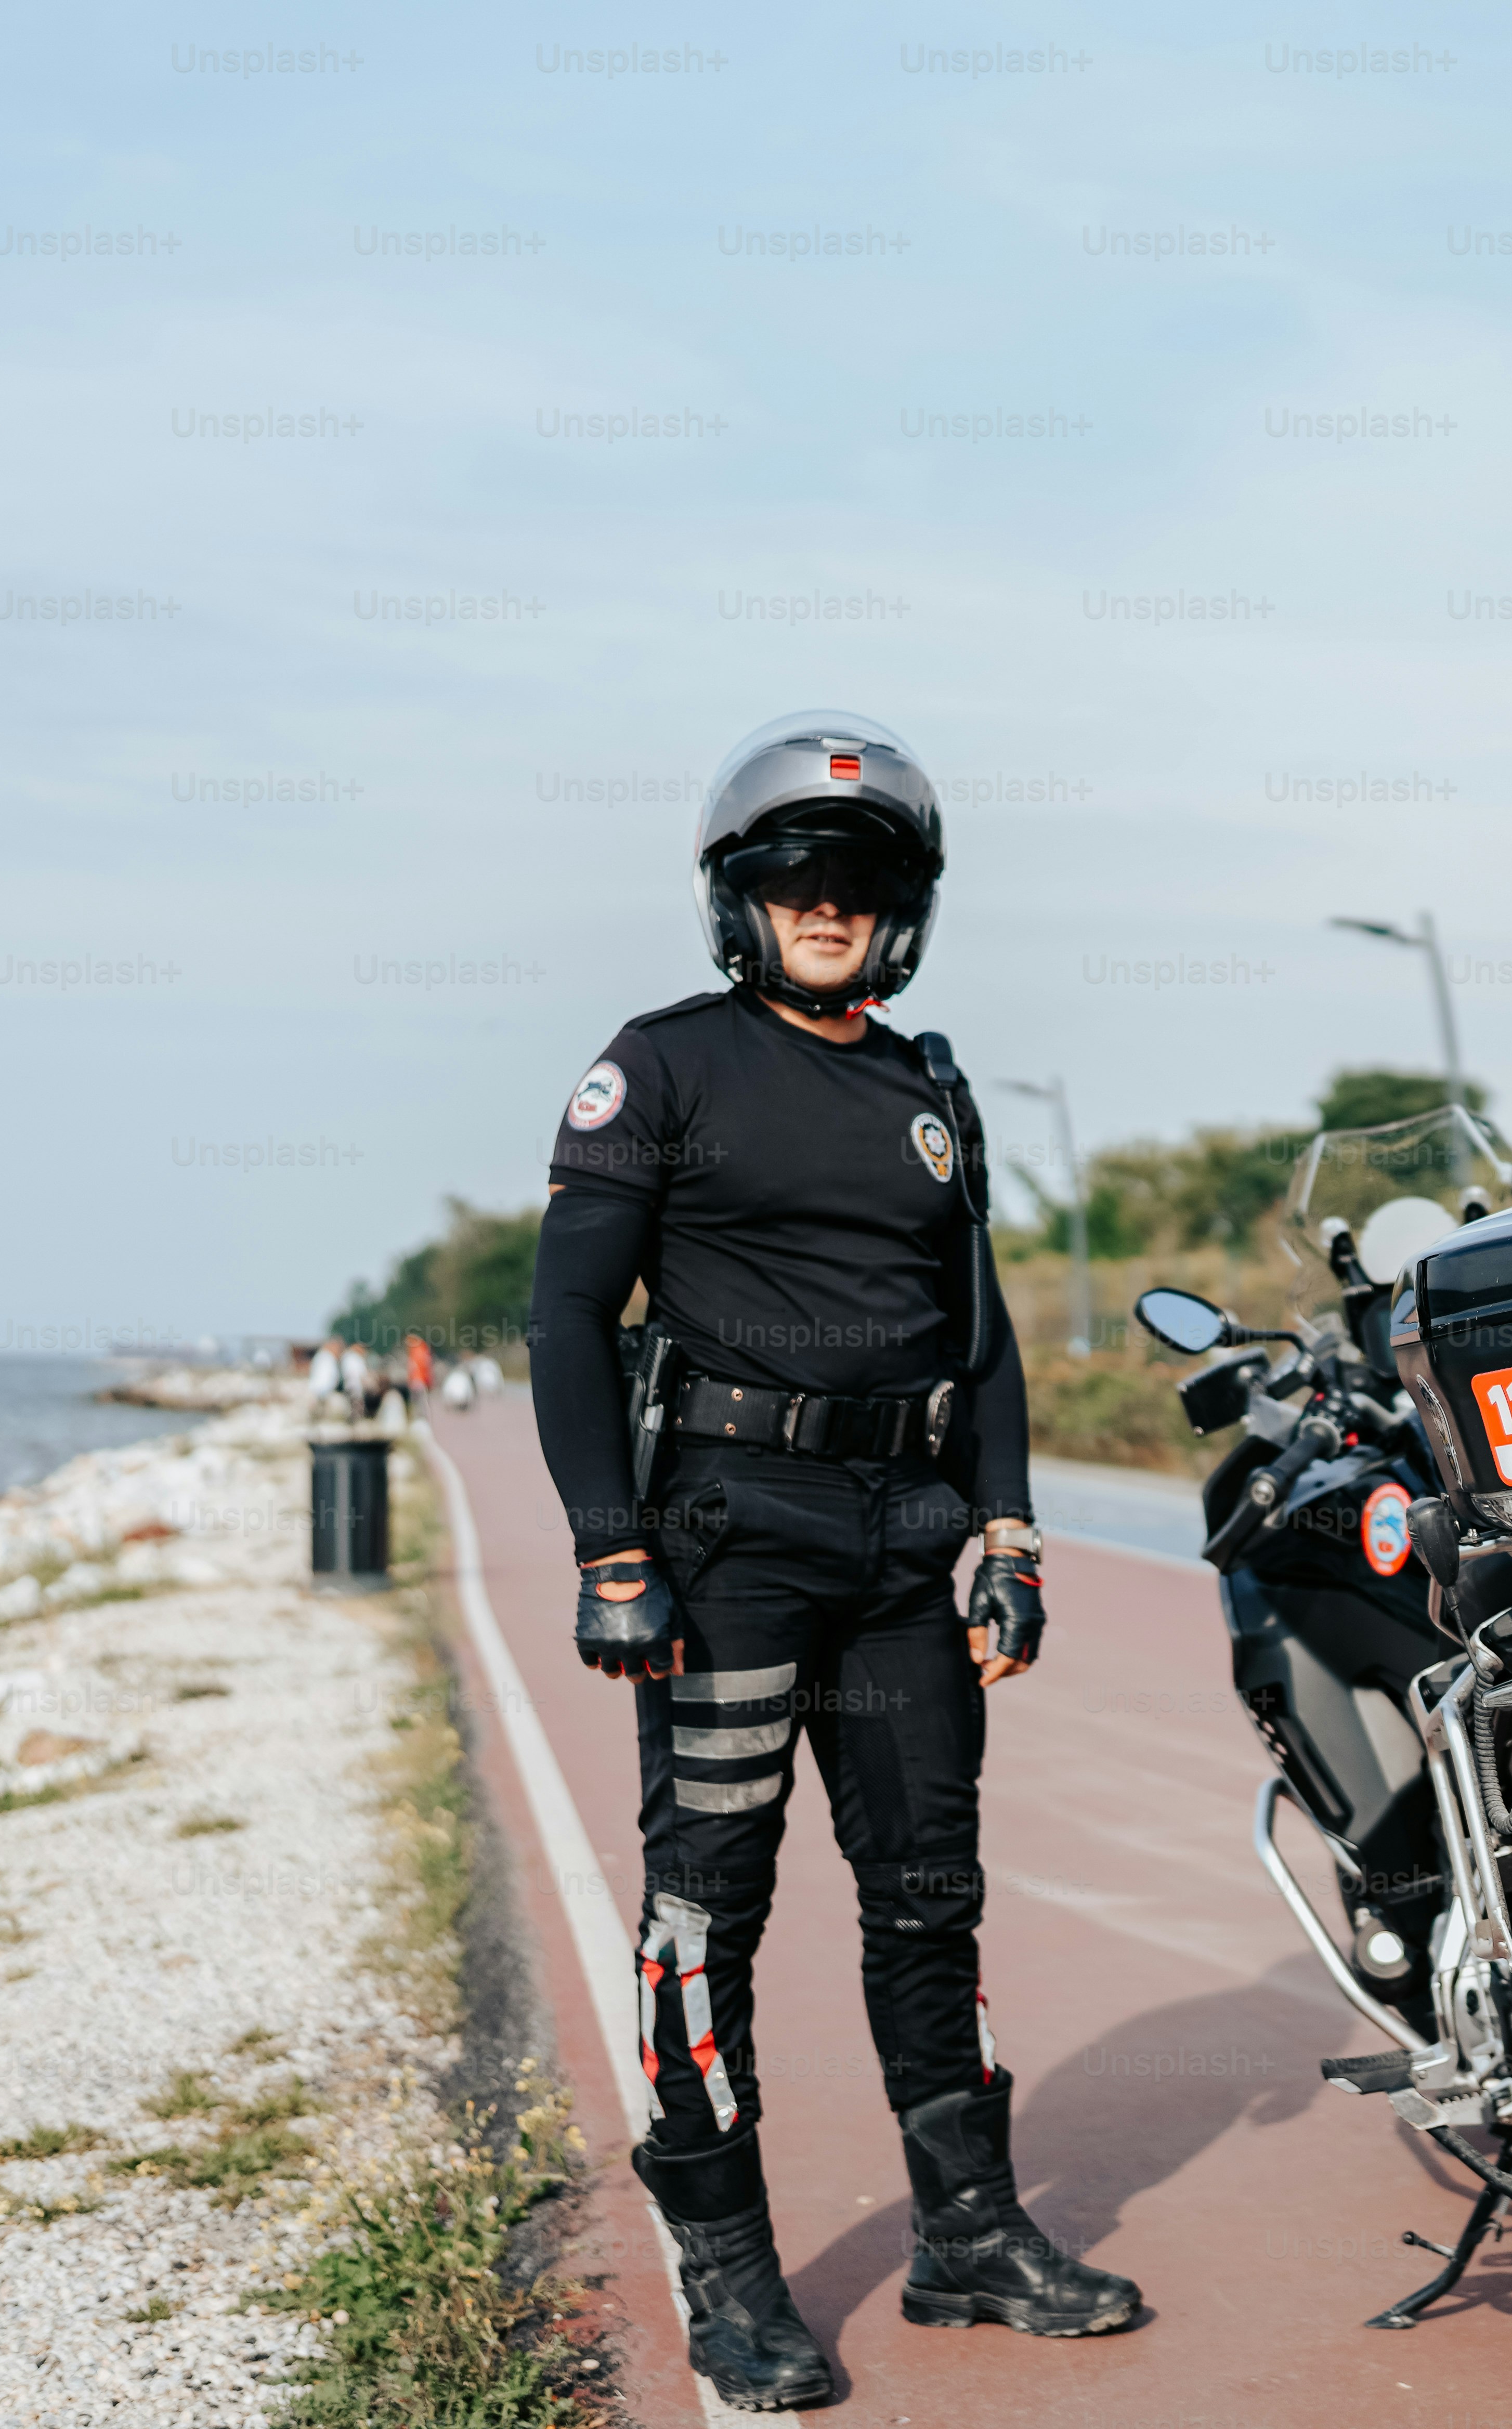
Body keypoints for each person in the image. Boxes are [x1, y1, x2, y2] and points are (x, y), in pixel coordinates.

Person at [528, 709, 1139, 2411]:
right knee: (704, 1913)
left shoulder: (928, 1087)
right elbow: (569, 1317)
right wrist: (611, 1553)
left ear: (900, 909)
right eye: (791, 874)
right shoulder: (658, 1066)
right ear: (740, 897)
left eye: (856, 880)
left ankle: (969, 2236)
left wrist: (1007, 1534)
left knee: (931, 1899)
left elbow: (985, 1337)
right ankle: (726, 2273)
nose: (824, 901)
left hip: (904, 1553)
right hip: (727, 1542)